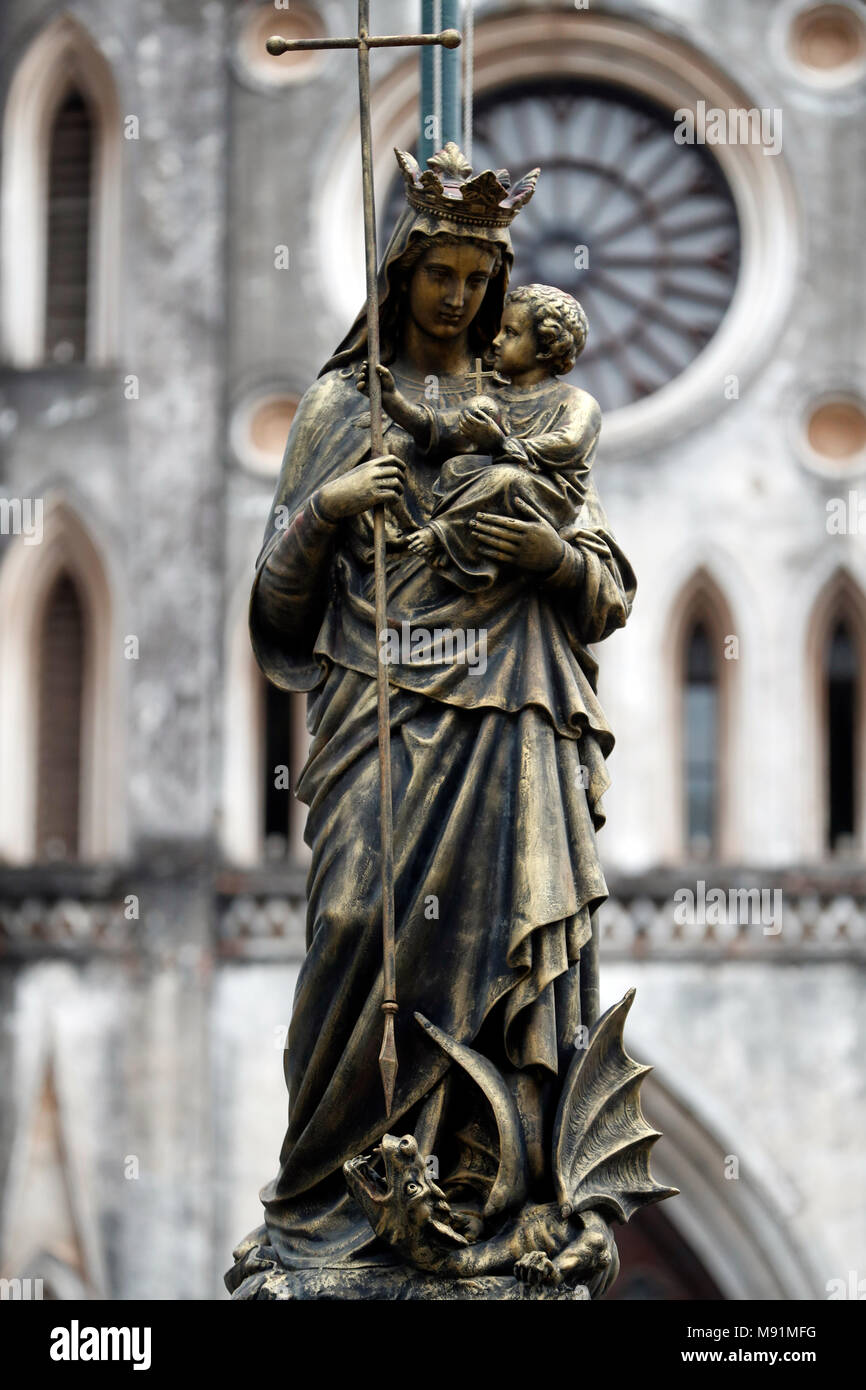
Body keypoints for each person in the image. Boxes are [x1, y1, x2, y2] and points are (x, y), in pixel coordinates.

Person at [245, 145, 636, 1272]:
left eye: (478, 276)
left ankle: (495, 1200)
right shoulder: (341, 404)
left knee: (509, 965)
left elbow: (604, 586)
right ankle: (322, 1209)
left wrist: (547, 553)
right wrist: (321, 510)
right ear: (400, 271)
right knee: (358, 924)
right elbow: (276, 611)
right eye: (439, 272)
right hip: (379, 709)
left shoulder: (527, 405)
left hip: (509, 716)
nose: (459, 296)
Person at [361, 283, 599, 591]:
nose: (496, 341)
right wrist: (393, 400)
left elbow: (568, 444)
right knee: (455, 469)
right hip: (500, 494)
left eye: (510, 333)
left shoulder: (577, 402)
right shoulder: (494, 400)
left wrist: (502, 444)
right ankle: (455, 547)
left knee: (505, 477)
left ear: (547, 346)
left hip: (549, 497)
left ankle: (441, 533)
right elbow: (440, 429)